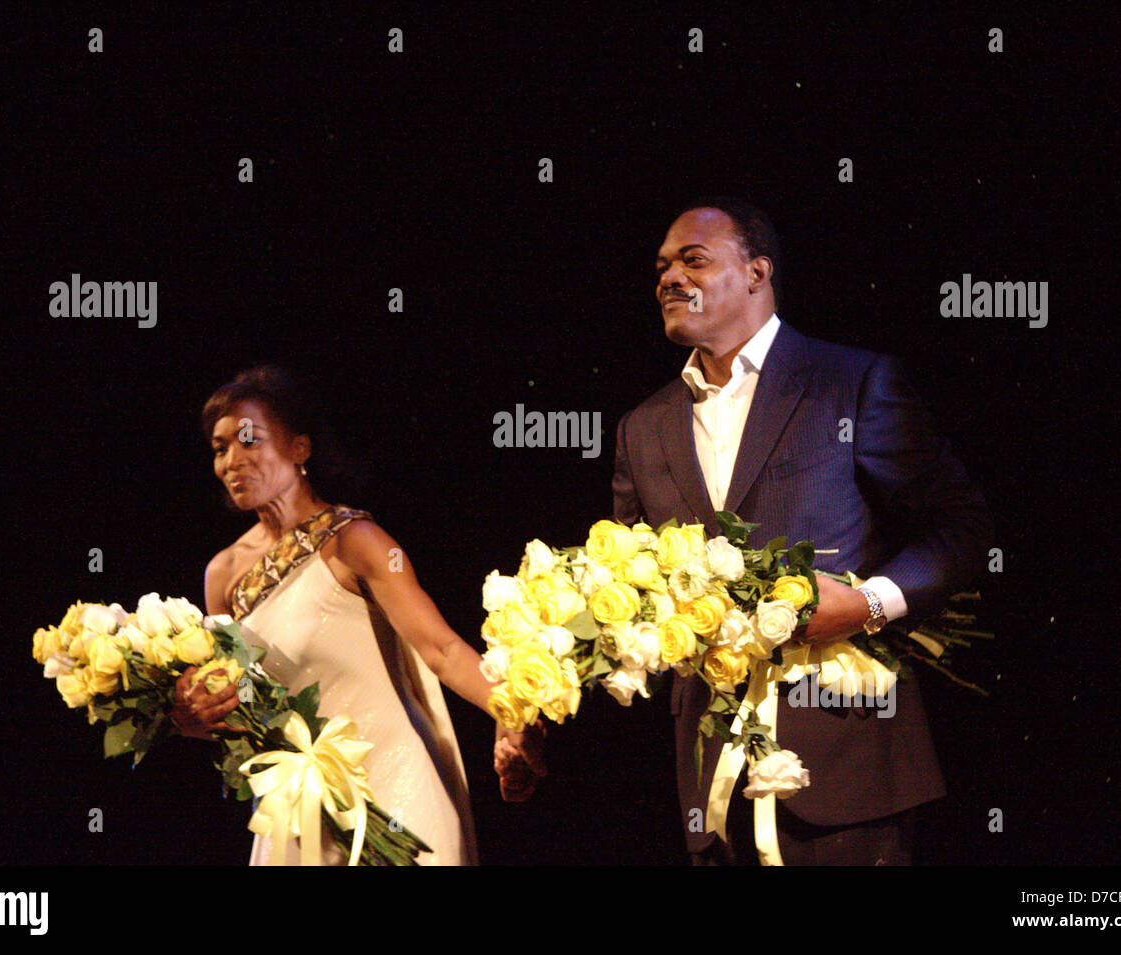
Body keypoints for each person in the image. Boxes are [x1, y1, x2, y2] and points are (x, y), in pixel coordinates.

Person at [496, 198, 993, 865]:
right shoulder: (643, 427)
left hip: (847, 767)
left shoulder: (850, 382)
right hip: (711, 779)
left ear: (757, 272)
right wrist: (527, 709)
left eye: (693, 259)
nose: (669, 277)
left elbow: (962, 528)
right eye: (661, 267)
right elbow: (611, 597)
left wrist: (869, 603)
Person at [171, 365, 540, 864]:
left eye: (249, 441)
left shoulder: (355, 541)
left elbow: (444, 650)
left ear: (299, 449)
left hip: (396, 795)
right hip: (297, 816)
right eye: (219, 448)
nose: (232, 460)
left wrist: (514, 709)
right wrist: (187, 716)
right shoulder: (223, 575)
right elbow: (235, 712)